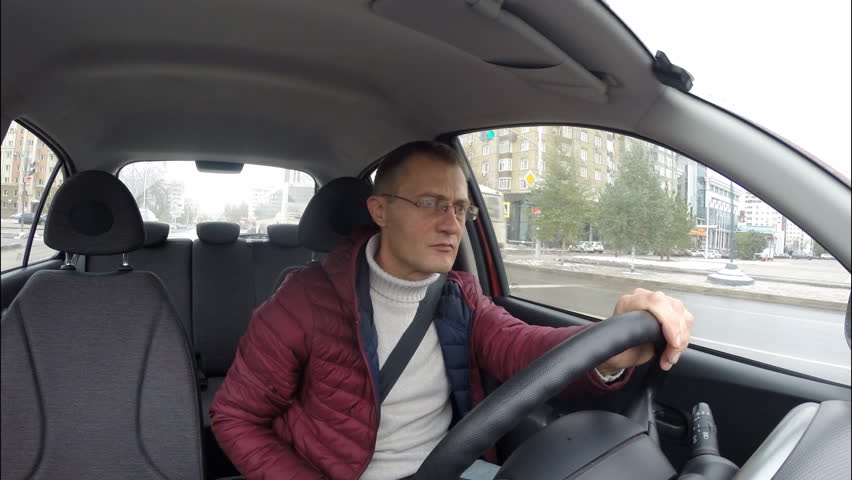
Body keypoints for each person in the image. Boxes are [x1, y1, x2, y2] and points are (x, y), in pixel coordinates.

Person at [210, 141, 694, 480]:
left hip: (452, 468)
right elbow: (235, 417)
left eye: (461, 208)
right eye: (430, 202)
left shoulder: (459, 295)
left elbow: (518, 345)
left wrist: (609, 347)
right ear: (379, 211)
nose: (451, 224)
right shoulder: (301, 303)